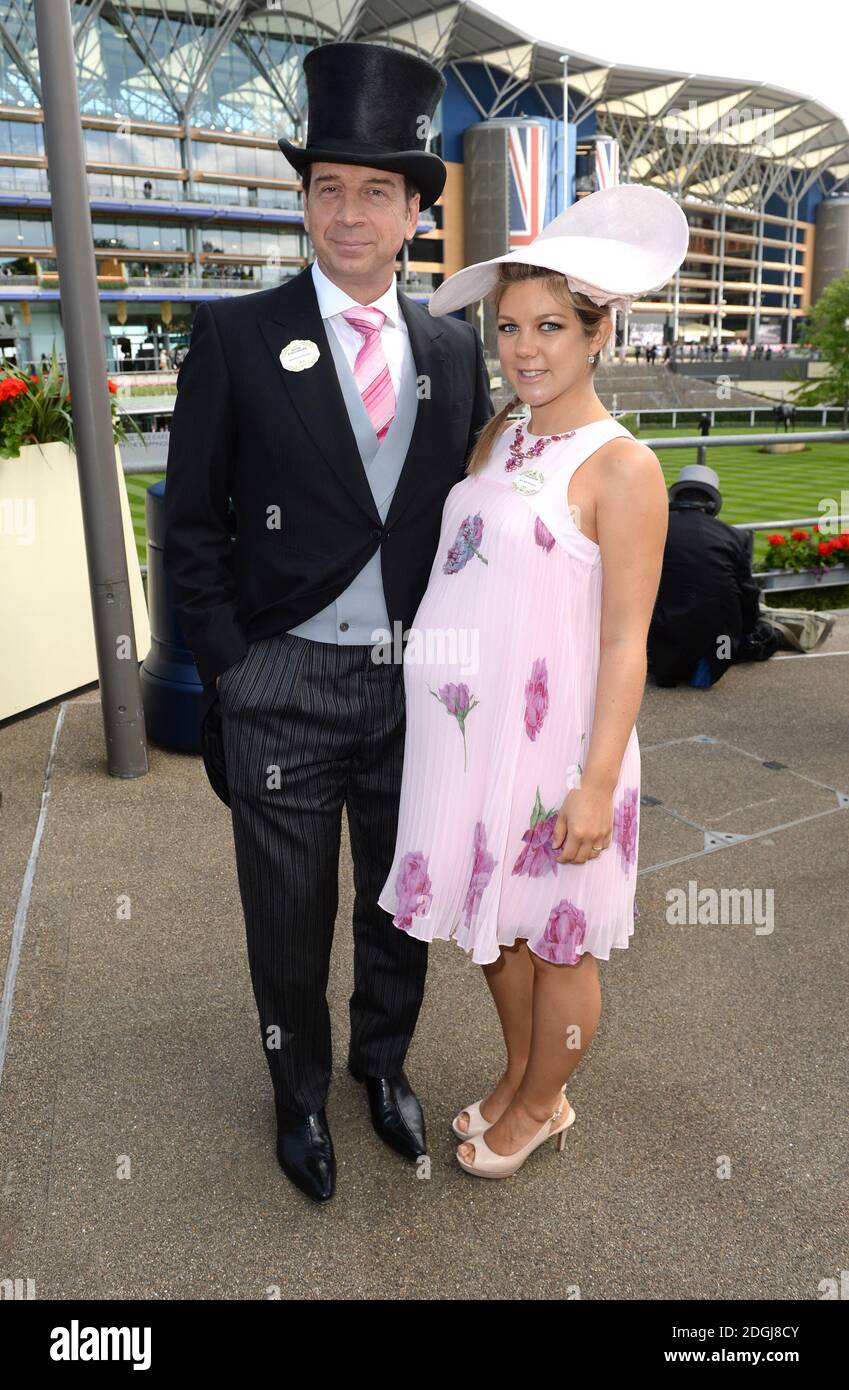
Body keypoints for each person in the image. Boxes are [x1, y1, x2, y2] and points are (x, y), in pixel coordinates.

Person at [163, 41, 493, 1204]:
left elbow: (470, 527)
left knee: (401, 902)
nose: (347, 213)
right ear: (304, 200)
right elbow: (189, 527)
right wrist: (235, 673)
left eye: (374, 191)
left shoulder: (457, 352)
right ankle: (296, 1091)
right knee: (288, 922)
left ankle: (381, 1066)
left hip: (416, 688)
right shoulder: (236, 337)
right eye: (326, 187)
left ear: (413, 212)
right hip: (282, 682)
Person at [377, 184, 690, 1178]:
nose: (525, 348)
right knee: (497, 932)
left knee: (559, 940)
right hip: (468, 745)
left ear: (600, 332)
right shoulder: (499, 436)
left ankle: (549, 1098)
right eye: (509, 326)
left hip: (557, 753)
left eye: (552, 326)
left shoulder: (622, 467)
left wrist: (596, 783)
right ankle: (520, 1078)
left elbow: (626, 643)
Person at [646, 465, 772, 687]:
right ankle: (707, 665)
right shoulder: (735, 536)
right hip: (719, 641)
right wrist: (751, 630)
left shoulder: (653, 529)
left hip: (661, 637)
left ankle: (669, 665)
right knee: (746, 635)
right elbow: (748, 594)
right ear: (712, 504)